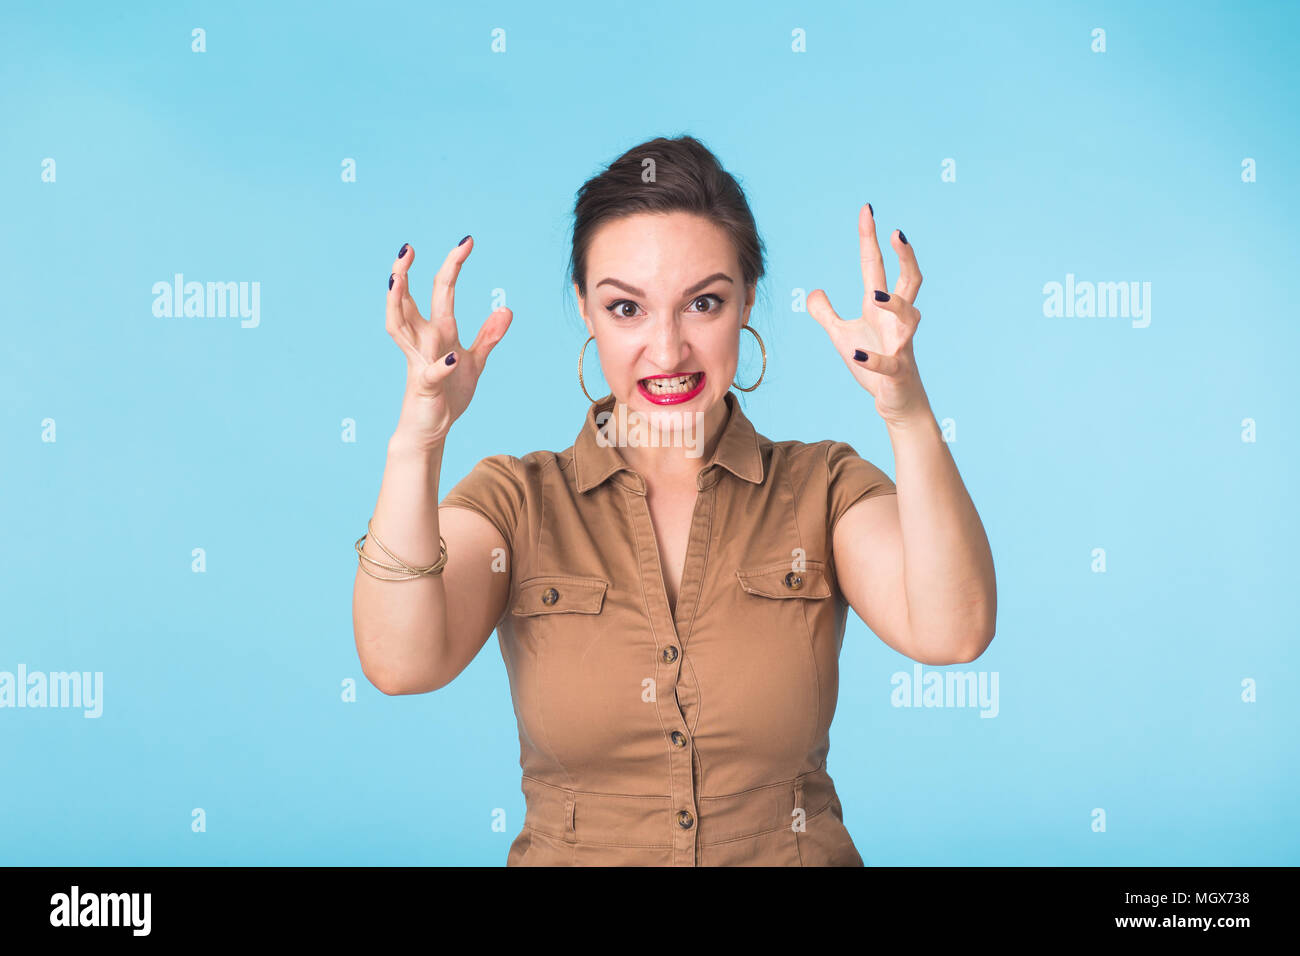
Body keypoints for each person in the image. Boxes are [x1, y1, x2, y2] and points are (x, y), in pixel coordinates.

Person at [351, 134, 996, 865]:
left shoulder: (822, 488)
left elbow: (953, 633)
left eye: (704, 303)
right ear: (585, 311)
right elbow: (400, 663)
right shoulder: (517, 502)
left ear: (748, 298)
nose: (666, 351)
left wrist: (906, 409)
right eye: (626, 308)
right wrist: (419, 436)